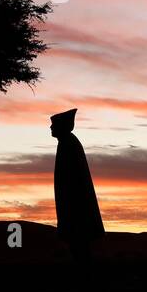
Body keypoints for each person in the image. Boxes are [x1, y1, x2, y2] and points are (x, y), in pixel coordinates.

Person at [51, 108, 105, 262]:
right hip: (74, 205)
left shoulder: (68, 144)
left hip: (75, 205)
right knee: (78, 245)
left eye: (53, 124)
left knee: (79, 244)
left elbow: (71, 181)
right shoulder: (68, 143)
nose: (50, 127)